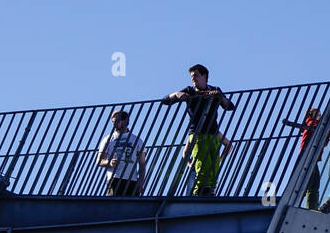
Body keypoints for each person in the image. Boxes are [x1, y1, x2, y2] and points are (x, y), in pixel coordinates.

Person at [161, 64, 235, 196]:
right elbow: (165, 100)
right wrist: (177, 94)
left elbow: (229, 106)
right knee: (201, 163)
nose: (193, 79)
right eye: (192, 77)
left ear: (204, 76)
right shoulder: (190, 91)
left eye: (195, 76)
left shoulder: (215, 90)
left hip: (213, 132)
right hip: (198, 133)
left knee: (214, 165)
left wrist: (220, 97)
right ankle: (200, 191)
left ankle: (210, 190)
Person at [282, 108, 330, 210]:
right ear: (311, 115)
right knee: (309, 183)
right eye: (317, 114)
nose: (319, 116)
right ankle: (295, 204)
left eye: (320, 114)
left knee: (313, 184)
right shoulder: (311, 123)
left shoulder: (317, 126)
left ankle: (311, 208)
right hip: (308, 155)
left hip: (312, 157)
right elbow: (327, 130)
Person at [96, 110, 147, 196]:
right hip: (114, 179)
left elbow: (142, 164)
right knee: (114, 203)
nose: (114, 124)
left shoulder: (137, 140)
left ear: (125, 121)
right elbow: (99, 161)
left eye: (116, 121)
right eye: (113, 121)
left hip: (132, 180)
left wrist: (141, 182)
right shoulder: (108, 139)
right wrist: (109, 163)